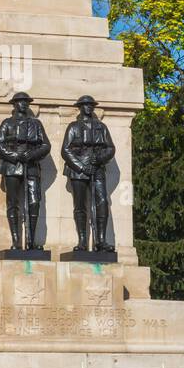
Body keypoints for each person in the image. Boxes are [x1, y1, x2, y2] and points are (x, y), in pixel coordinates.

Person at [0, 91, 50, 250]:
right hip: (12, 166)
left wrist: (31, 154)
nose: (24, 104)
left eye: (26, 102)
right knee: (13, 203)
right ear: (14, 104)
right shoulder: (7, 123)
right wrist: (15, 155)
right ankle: (16, 240)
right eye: (20, 101)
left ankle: (31, 239)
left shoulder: (36, 124)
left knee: (34, 202)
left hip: (31, 166)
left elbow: (46, 145)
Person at [60, 94, 115, 253]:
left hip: (97, 168)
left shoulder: (101, 127)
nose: (89, 107)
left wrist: (98, 159)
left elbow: (110, 148)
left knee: (102, 203)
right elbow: (66, 150)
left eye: (91, 105)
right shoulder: (73, 127)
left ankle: (102, 241)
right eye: (86, 105)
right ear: (80, 107)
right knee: (80, 205)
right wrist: (81, 167)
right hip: (78, 170)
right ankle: (83, 240)